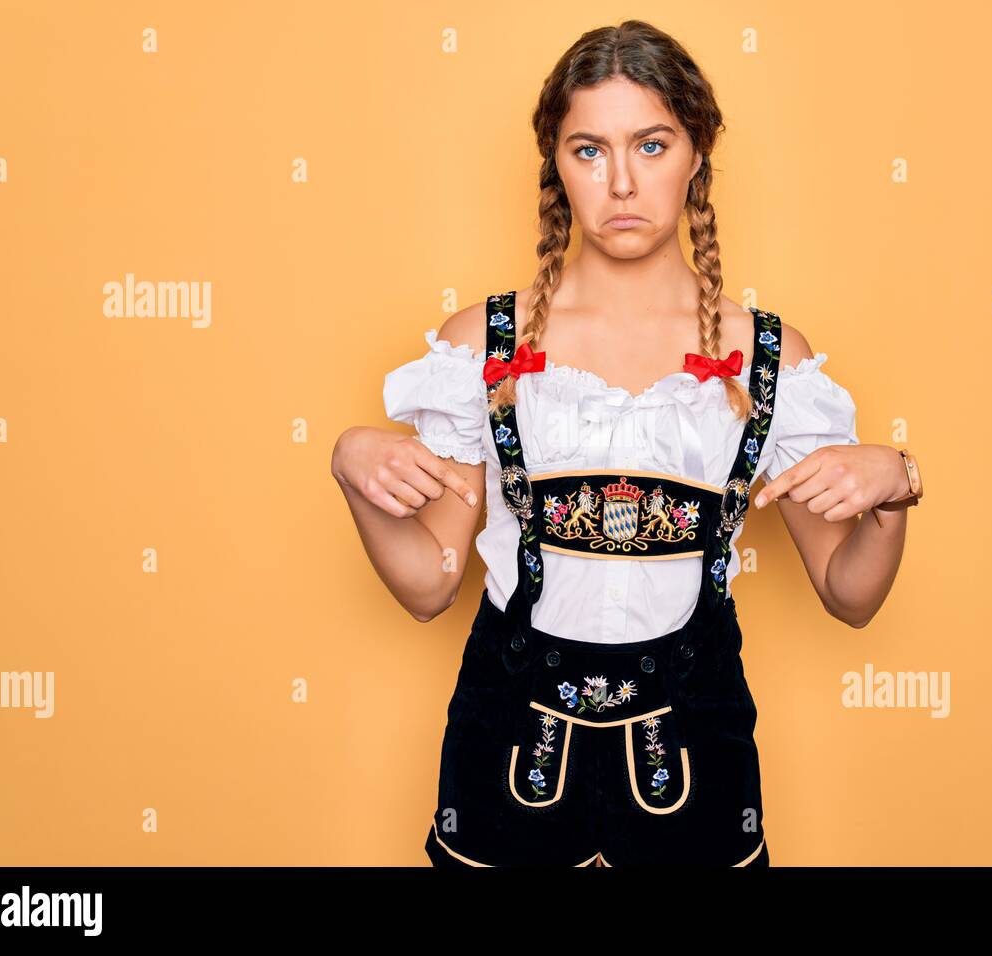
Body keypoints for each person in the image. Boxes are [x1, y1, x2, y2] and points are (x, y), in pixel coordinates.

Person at [331, 20, 924, 867]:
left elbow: (849, 594)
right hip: (505, 757)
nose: (620, 183)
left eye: (651, 144)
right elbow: (430, 585)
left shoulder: (767, 360)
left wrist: (895, 485)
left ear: (697, 154)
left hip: (699, 757)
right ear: (556, 165)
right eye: (588, 150)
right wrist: (350, 464)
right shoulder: (482, 344)